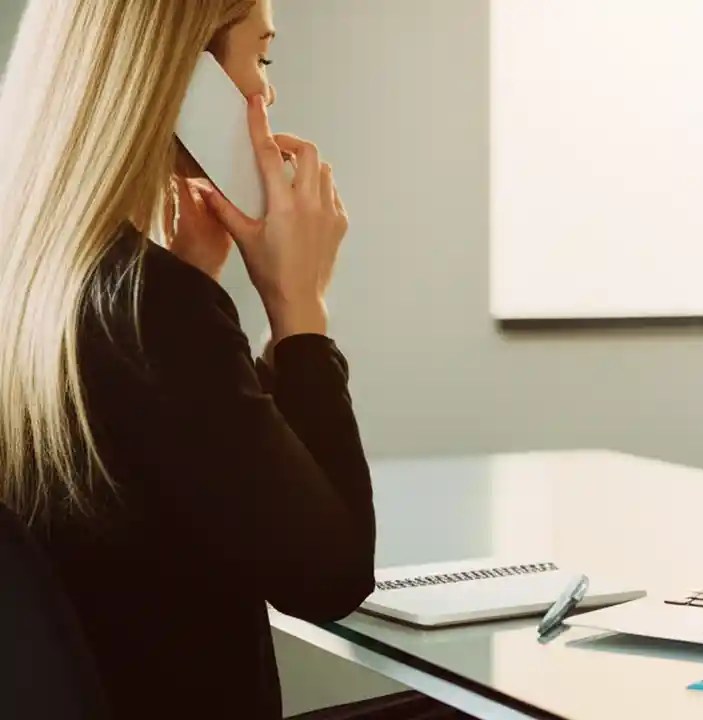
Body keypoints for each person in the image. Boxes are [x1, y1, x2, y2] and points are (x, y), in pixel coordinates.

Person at [0, 1, 461, 717]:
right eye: (261, 57)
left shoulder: (46, 287)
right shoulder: (148, 310)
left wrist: (197, 286)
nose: (268, 91)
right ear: (180, 77)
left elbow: (206, 482)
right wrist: (299, 308)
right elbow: (329, 579)